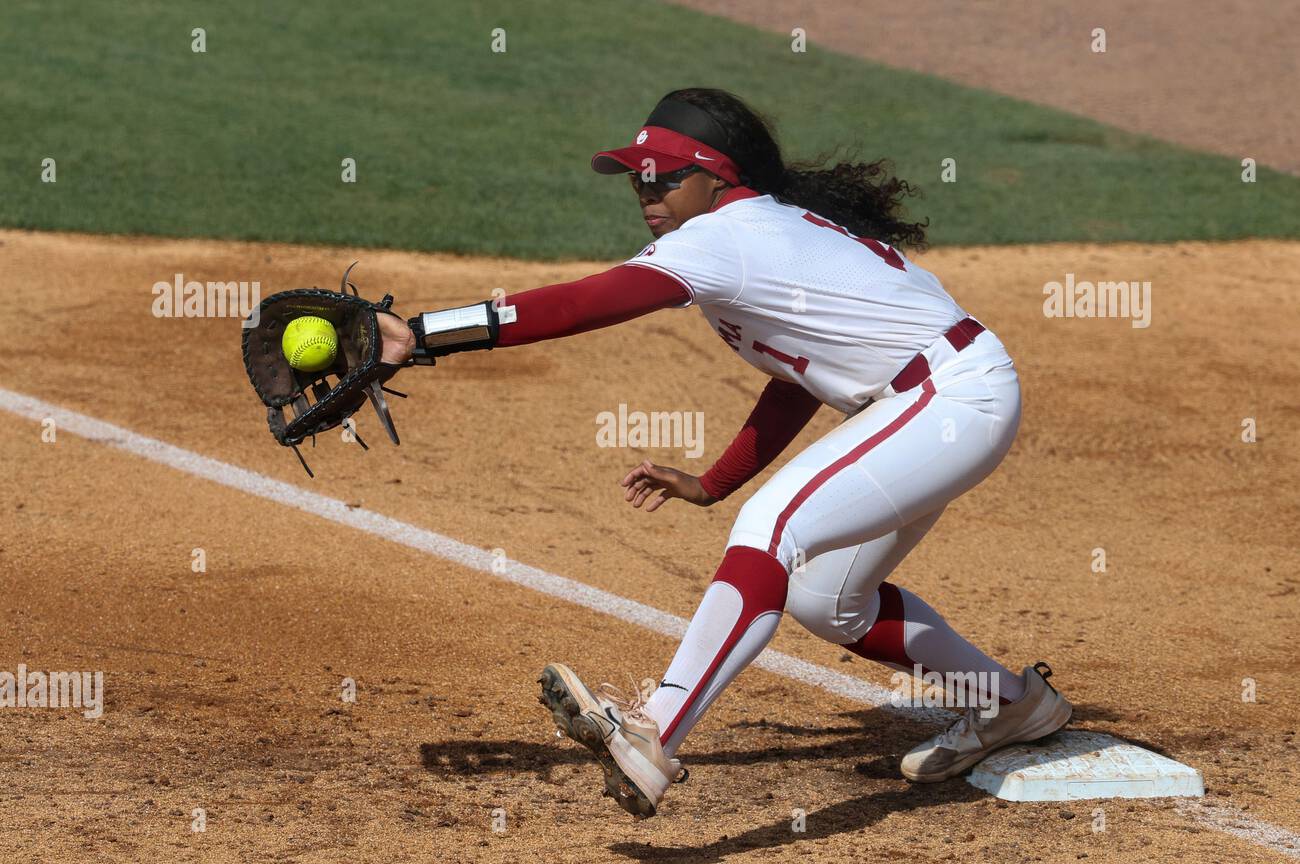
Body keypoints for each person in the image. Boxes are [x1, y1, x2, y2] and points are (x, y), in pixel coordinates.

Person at [377, 88, 1072, 819]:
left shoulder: (723, 238)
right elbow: (798, 380)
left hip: (948, 401)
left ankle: (655, 733)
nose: (647, 192)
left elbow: (584, 303)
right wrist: (713, 483)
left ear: (718, 178)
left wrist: (422, 333)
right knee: (828, 600)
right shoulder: (762, 231)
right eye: (638, 178)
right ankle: (1011, 704)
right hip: (932, 406)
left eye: (665, 177)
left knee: (772, 529)